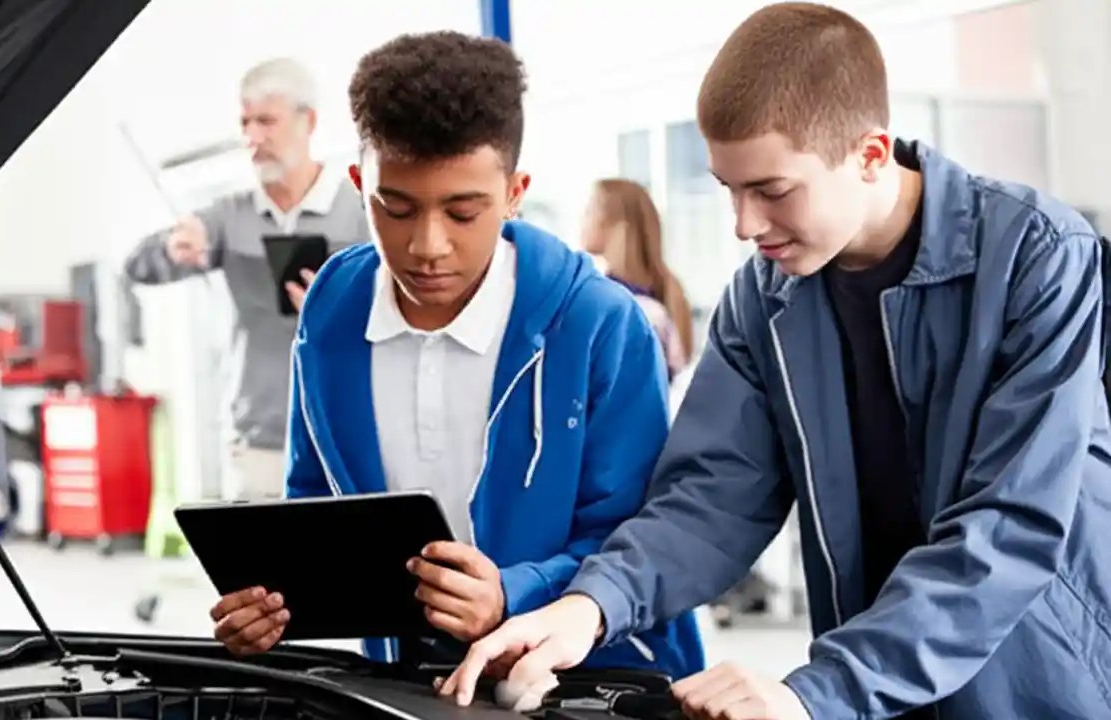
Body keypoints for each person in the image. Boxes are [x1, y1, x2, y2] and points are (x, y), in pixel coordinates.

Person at [439, 3, 1111, 719]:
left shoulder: (1038, 258)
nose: (744, 224)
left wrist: (815, 693)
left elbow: (1006, 528)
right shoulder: (763, 299)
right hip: (868, 693)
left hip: (1037, 686)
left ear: (871, 154)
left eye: (772, 190)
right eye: (729, 188)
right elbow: (711, 500)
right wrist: (589, 606)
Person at [206, 30, 706, 680]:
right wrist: (276, 602)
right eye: (397, 207)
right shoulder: (332, 309)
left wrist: (512, 593)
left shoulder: (599, 324)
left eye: (464, 212)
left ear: (515, 191)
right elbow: (315, 507)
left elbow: (639, 543)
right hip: (416, 684)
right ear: (361, 185)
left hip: (597, 685)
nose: (427, 245)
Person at [124, 57, 368, 501]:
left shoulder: (360, 214)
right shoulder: (227, 217)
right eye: (245, 122)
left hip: (350, 431)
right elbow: (138, 266)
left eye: (266, 122)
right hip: (261, 437)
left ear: (307, 121)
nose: (252, 137)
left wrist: (338, 306)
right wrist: (172, 246)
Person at [581, 178, 695, 379]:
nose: (583, 220)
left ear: (615, 225)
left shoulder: (628, 308)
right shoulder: (663, 297)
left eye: (590, 211)